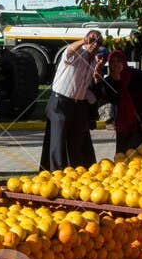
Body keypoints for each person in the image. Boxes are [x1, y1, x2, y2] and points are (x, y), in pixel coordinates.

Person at [40, 29, 101, 170]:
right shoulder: (77, 54)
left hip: (76, 105)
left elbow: (84, 89)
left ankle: (76, 172)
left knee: (77, 141)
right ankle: (57, 173)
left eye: (98, 43)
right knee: (58, 141)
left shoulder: (93, 62)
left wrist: (97, 80)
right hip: (60, 102)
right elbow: (69, 50)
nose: (95, 45)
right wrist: (83, 41)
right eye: (92, 41)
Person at [97, 49, 142, 153]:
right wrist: (105, 80)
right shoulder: (108, 81)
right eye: (113, 61)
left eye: (119, 61)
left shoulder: (137, 75)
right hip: (122, 125)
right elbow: (105, 98)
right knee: (123, 156)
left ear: (124, 62)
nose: (116, 64)